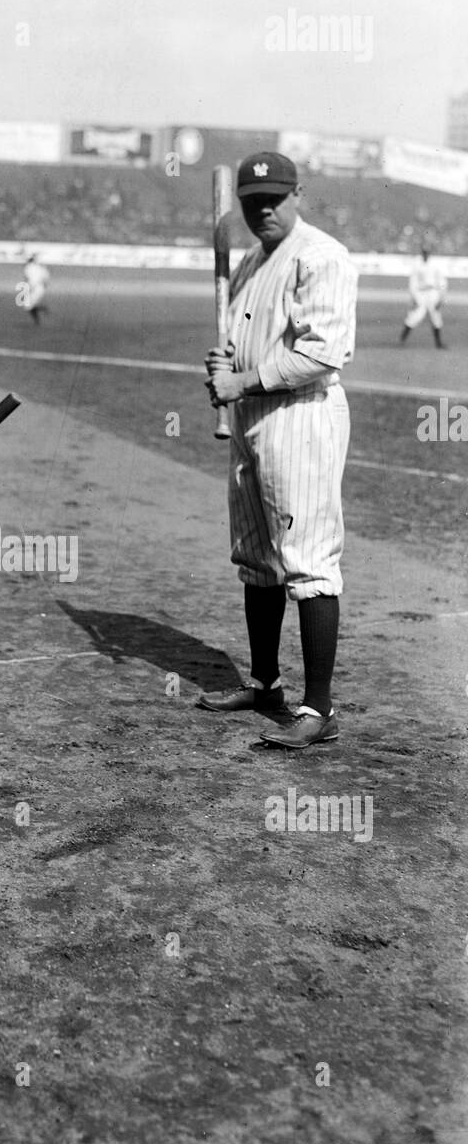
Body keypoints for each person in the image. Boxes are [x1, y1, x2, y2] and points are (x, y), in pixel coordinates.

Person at [198, 151, 358, 749]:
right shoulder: (251, 261)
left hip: (302, 418)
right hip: (252, 417)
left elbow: (323, 353)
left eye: (275, 198)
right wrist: (224, 366)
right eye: (252, 201)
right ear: (240, 203)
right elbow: (244, 347)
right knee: (257, 555)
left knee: (308, 560)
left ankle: (319, 710)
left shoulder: (321, 256)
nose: (263, 209)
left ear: (298, 195)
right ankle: (265, 683)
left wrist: (241, 380)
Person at [400, 243, 446, 348]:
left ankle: (438, 343)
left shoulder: (435, 264)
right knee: (415, 316)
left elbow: (442, 281)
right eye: (424, 252)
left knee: (436, 317)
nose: (426, 254)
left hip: (433, 293)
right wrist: (414, 297)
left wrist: (441, 297)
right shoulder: (417, 265)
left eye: (427, 252)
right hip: (421, 293)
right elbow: (413, 283)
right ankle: (402, 340)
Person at [19, 253, 50, 324]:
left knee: (27, 305)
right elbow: (46, 278)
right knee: (29, 305)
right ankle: (40, 315)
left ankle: (41, 313)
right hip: (40, 288)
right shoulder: (41, 267)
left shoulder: (28, 268)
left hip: (33, 288)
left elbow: (26, 279)